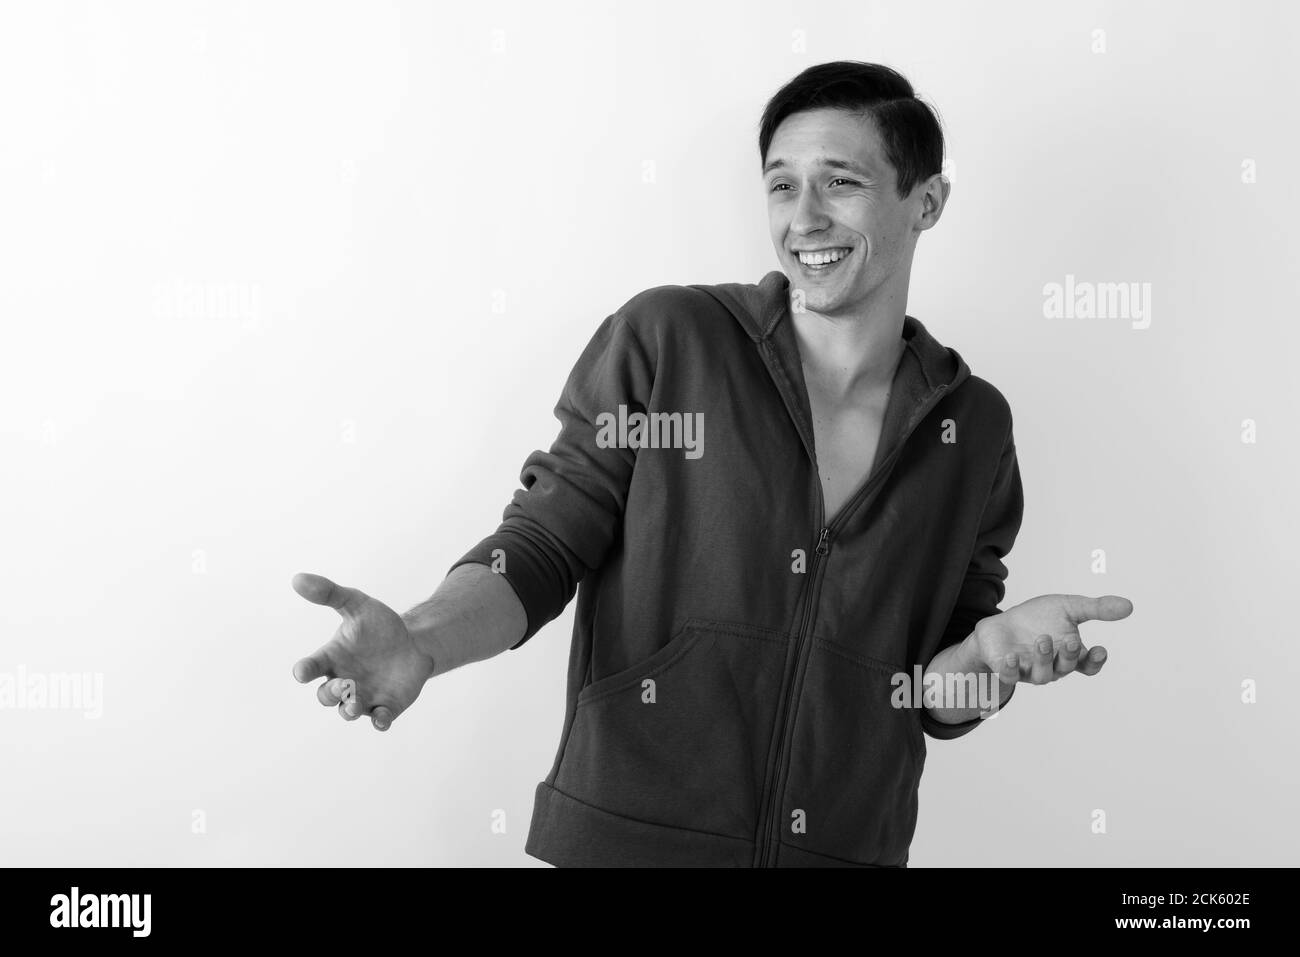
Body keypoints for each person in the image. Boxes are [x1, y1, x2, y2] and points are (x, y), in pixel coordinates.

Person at [291, 60, 1133, 867]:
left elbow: (926, 694)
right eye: (780, 183)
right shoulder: (671, 343)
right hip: (628, 844)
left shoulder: (971, 424)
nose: (803, 216)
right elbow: (546, 543)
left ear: (928, 201)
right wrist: (424, 642)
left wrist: (986, 660)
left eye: (840, 181)